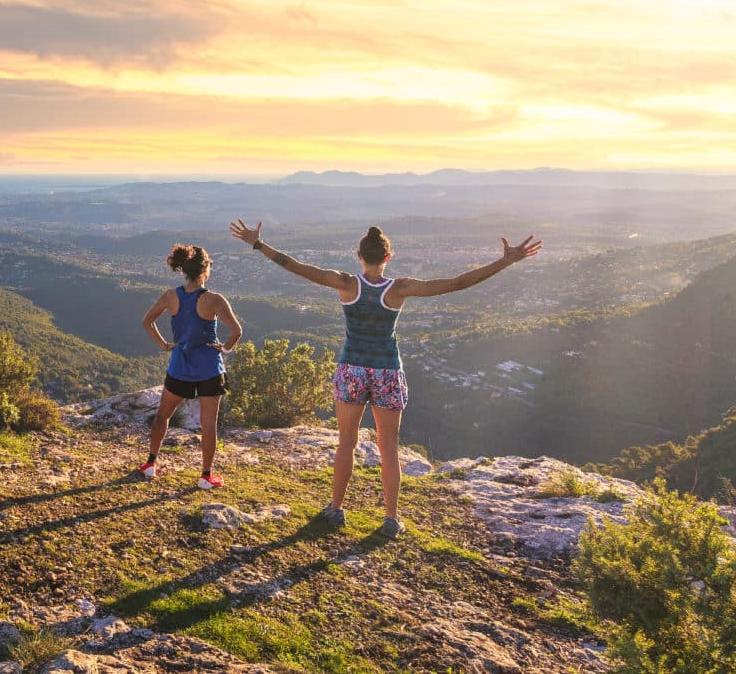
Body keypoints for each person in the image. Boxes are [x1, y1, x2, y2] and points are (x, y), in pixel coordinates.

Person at [229, 220, 542, 536]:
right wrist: (505, 262)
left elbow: (296, 266)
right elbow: (456, 283)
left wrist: (258, 244)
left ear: (359, 256)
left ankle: (336, 509)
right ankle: (391, 519)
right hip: (388, 373)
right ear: (388, 258)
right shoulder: (399, 289)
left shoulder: (346, 284)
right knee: (388, 448)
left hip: (352, 369)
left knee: (346, 443)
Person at [139, 244, 243, 489]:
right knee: (208, 424)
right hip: (209, 368)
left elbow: (147, 321)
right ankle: (206, 476)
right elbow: (237, 331)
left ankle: (151, 464)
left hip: (180, 366)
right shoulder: (215, 300)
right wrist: (224, 348)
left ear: (183, 270)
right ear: (205, 269)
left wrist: (164, 345)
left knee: (163, 415)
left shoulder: (170, 296)